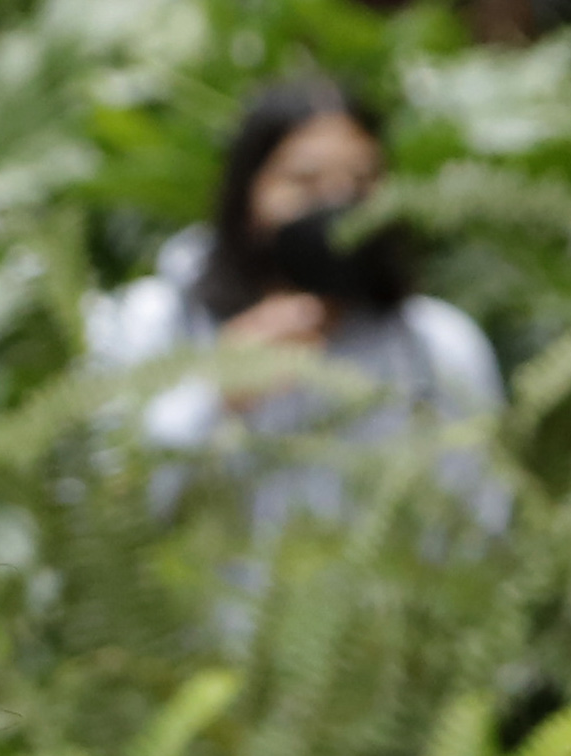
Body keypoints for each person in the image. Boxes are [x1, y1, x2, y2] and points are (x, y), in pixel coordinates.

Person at [83, 78, 504, 531]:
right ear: (247, 194)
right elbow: (99, 515)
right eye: (305, 182)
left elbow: (480, 519)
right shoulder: (150, 322)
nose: (339, 206)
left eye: (362, 182)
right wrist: (217, 397)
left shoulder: (438, 345)